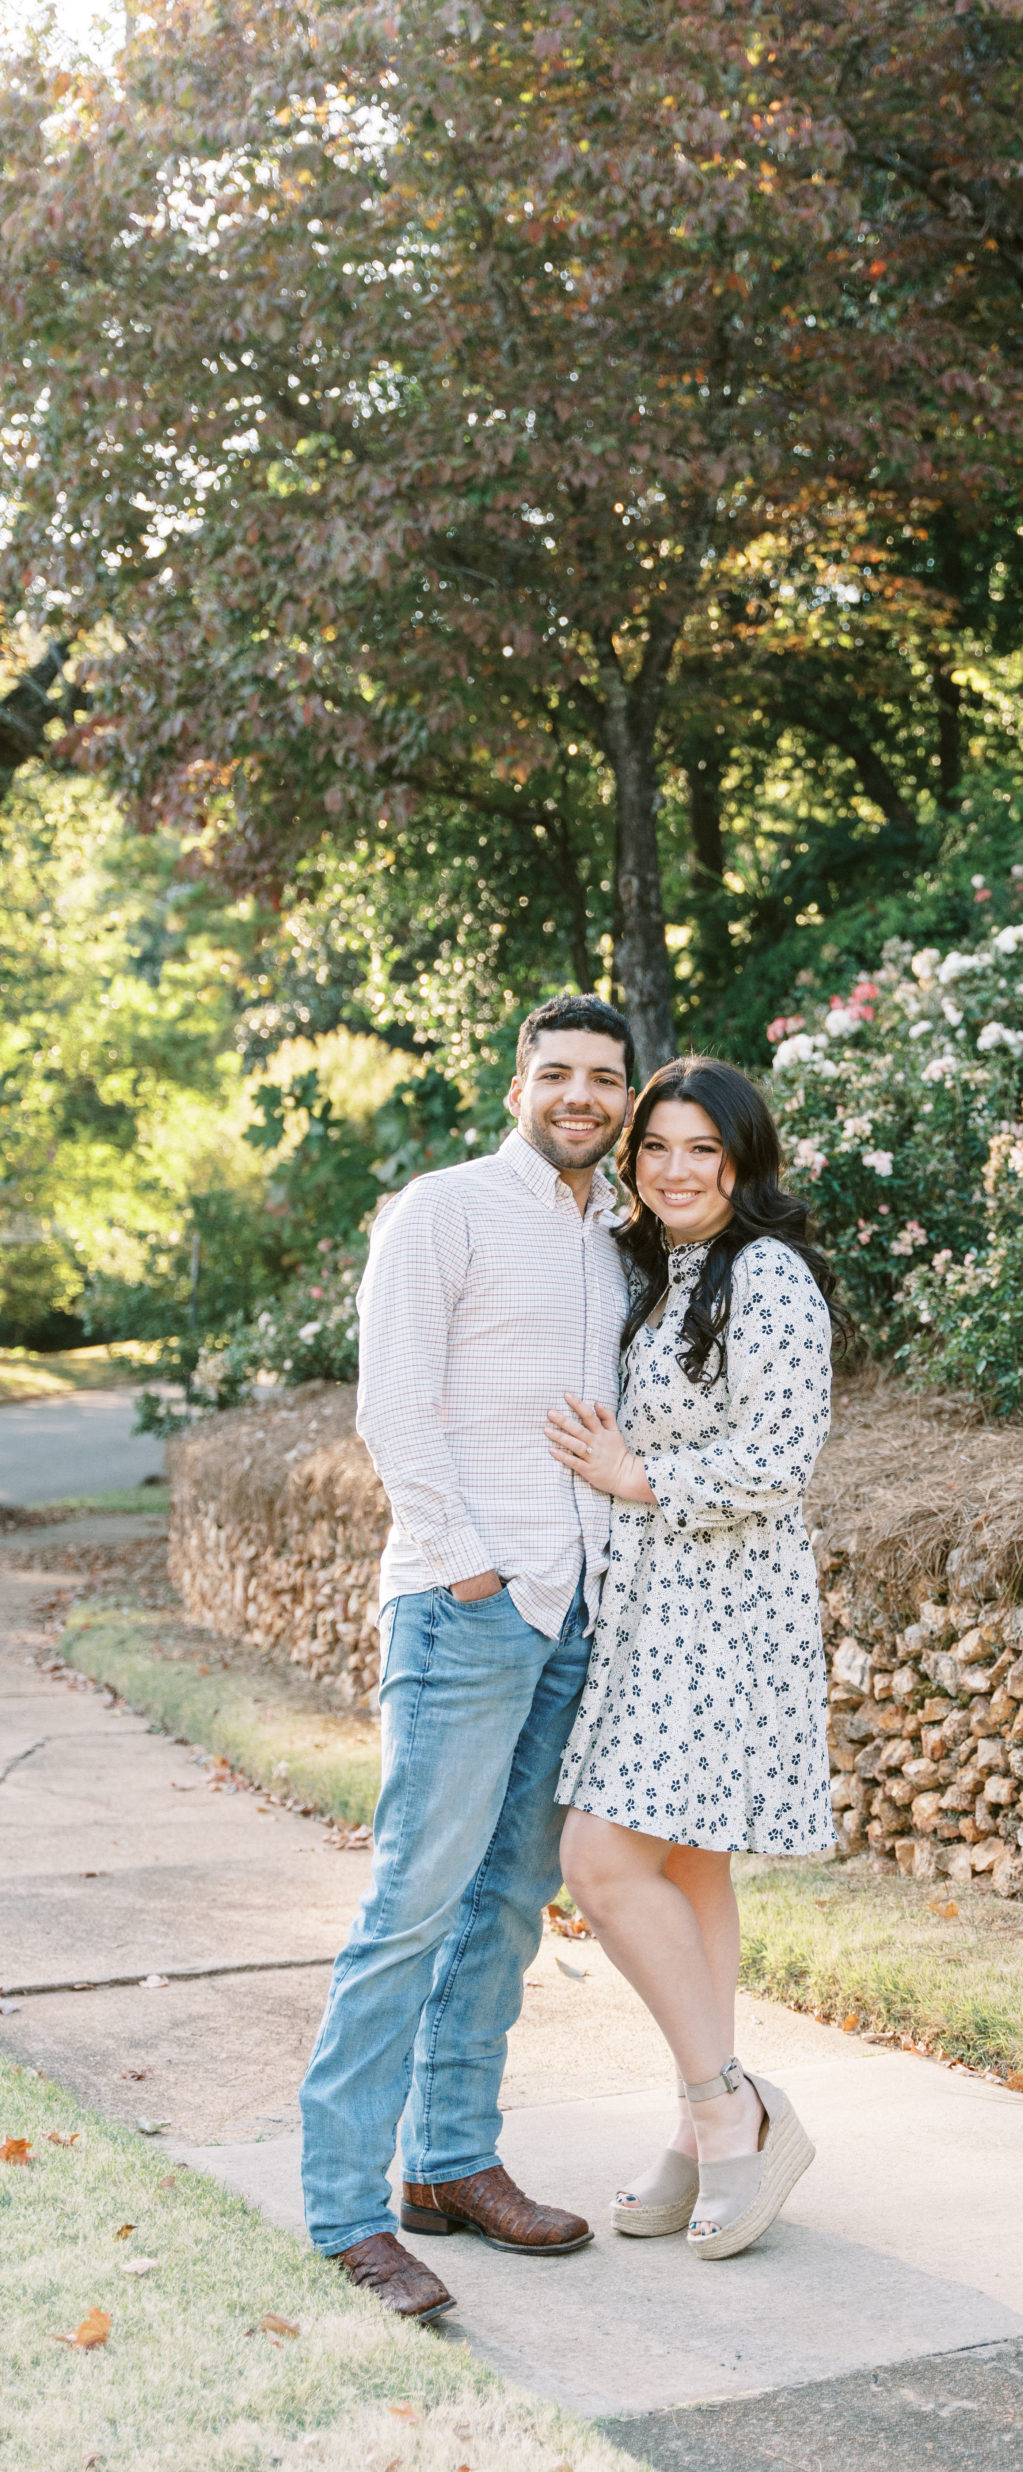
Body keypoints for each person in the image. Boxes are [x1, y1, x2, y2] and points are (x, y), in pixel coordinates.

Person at [296, 993, 635, 2320]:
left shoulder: (613, 1240)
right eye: (558, 1073)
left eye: (604, 1079)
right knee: (409, 1910)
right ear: (520, 1083)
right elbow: (394, 1403)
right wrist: (464, 1564)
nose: (582, 1097)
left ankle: (448, 2166)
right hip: (465, 1608)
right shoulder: (438, 1209)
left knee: (503, 1904)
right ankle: (344, 2212)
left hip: (573, 1614)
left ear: (623, 1095)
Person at [546, 1056, 839, 2262]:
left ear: (741, 1162)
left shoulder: (765, 1275)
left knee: (600, 1858)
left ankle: (731, 2112)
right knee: (693, 1865)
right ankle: (698, 2119)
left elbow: (783, 1453)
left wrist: (639, 1477)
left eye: (700, 1151)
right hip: (659, 1602)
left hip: (728, 1606)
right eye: (655, 1147)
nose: (673, 1169)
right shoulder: (664, 1272)